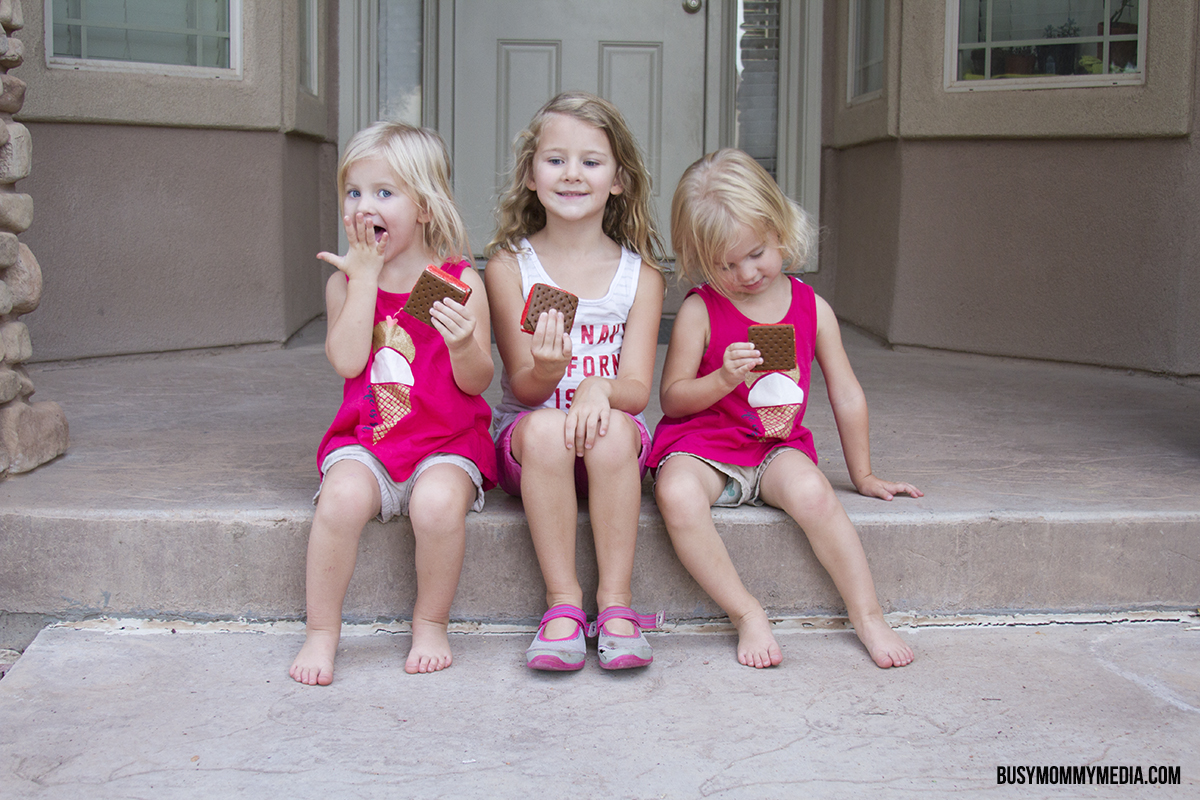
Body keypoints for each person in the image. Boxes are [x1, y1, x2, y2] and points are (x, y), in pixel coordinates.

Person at [650, 148, 922, 670]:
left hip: (775, 447)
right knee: (676, 494)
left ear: (779, 227)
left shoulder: (811, 308)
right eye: (724, 265)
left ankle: (867, 614)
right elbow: (673, 400)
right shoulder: (699, 310)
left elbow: (845, 392)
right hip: (705, 446)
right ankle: (746, 611)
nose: (746, 273)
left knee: (815, 495)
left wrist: (861, 473)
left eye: (755, 253)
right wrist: (723, 378)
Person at [290, 122, 496, 685]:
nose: (364, 206)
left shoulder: (454, 280)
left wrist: (462, 343)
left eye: (385, 193)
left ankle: (430, 622)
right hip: (369, 441)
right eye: (354, 193)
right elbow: (348, 361)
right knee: (339, 500)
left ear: (425, 207)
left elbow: (480, 381)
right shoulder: (345, 283)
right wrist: (364, 281)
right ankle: (321, 632)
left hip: (446, 442)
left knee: (434, 507)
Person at [484, 92, 666, 670]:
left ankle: (616, 605)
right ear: (531, 174)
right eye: (555, 159)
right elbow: (523, 387)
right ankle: (563, 605)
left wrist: (599, 388)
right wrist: (548, 369)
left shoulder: (642, 276)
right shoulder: (509, 267)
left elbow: (637, 385)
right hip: (533, 448)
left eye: (591, 161)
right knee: (542, 431)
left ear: (618, 179)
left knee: (614, 429)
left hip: (610, 447)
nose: (571, 174)